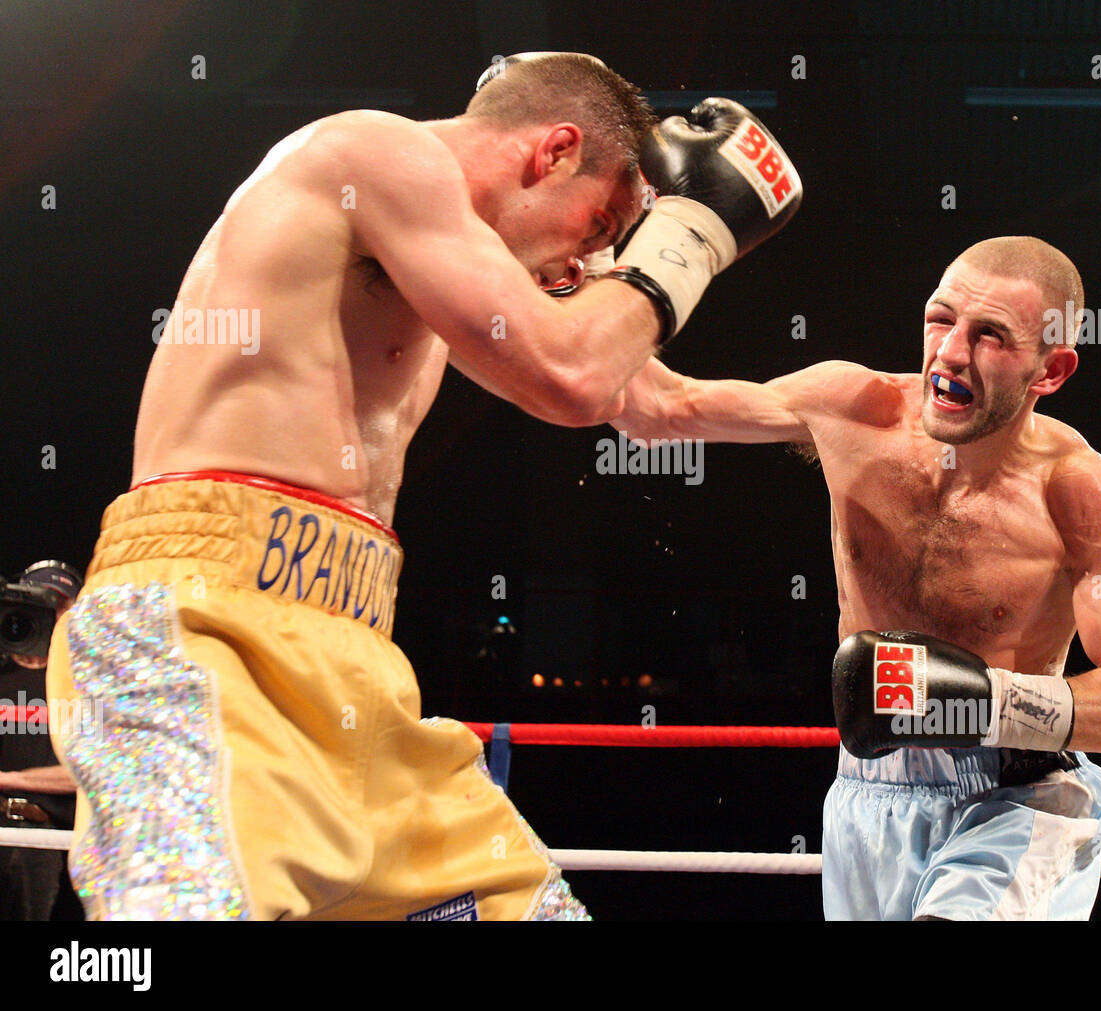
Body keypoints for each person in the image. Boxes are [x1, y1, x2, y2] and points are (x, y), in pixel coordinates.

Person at [45, 52, 801, 920]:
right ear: (554, 151)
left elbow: (653, 400)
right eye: (597, 225)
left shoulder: (459, 259)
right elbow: (571, 374)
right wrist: (693, 234)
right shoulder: (377, 154)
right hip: (200, 623)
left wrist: (866, 414)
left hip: (356, 656)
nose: (583, 265)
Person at [611, 236, 1101, 920]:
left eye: (991, 336)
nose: (951, 353)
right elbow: (656, 409)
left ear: (1050, 371)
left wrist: (979, 701)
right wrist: (626, 266)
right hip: (865, 792)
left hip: (1019, 796)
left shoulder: (1081, 491)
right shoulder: (852, 410)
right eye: (942, 318)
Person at [0, 561, 83, 921]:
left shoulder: (88, 683)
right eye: (43, 602)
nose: (52, 613)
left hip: (54, 840)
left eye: (61, 603)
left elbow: (85, 772)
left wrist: (8, 781)